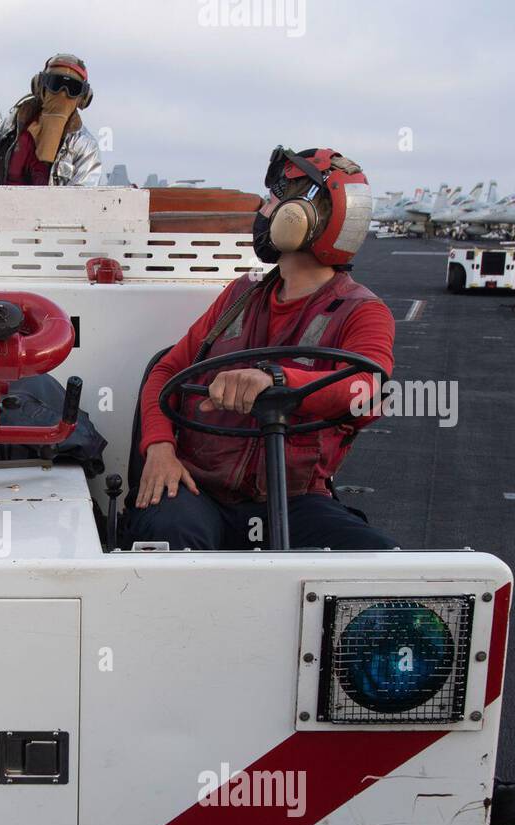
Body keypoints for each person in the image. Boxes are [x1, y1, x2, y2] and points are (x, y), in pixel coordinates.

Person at [125, 146, 396, 551]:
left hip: (296, 500)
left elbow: (367, 391)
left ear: (300, 217)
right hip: (201, 490)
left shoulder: (364, 312)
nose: (264, 210)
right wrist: (160, 449)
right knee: (172, 541)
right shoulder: (241, 295)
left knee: (377, 564)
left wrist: (280, 381)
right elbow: (165, 372)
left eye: (273, 198)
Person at [0, 54, 102, 187]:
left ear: (82, 98)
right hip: (3, 206)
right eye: (56, 84)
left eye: (72, 88)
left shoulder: (85, 147)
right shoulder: (12, 127)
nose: (63, 93)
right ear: (41, 86)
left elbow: (81, 200)